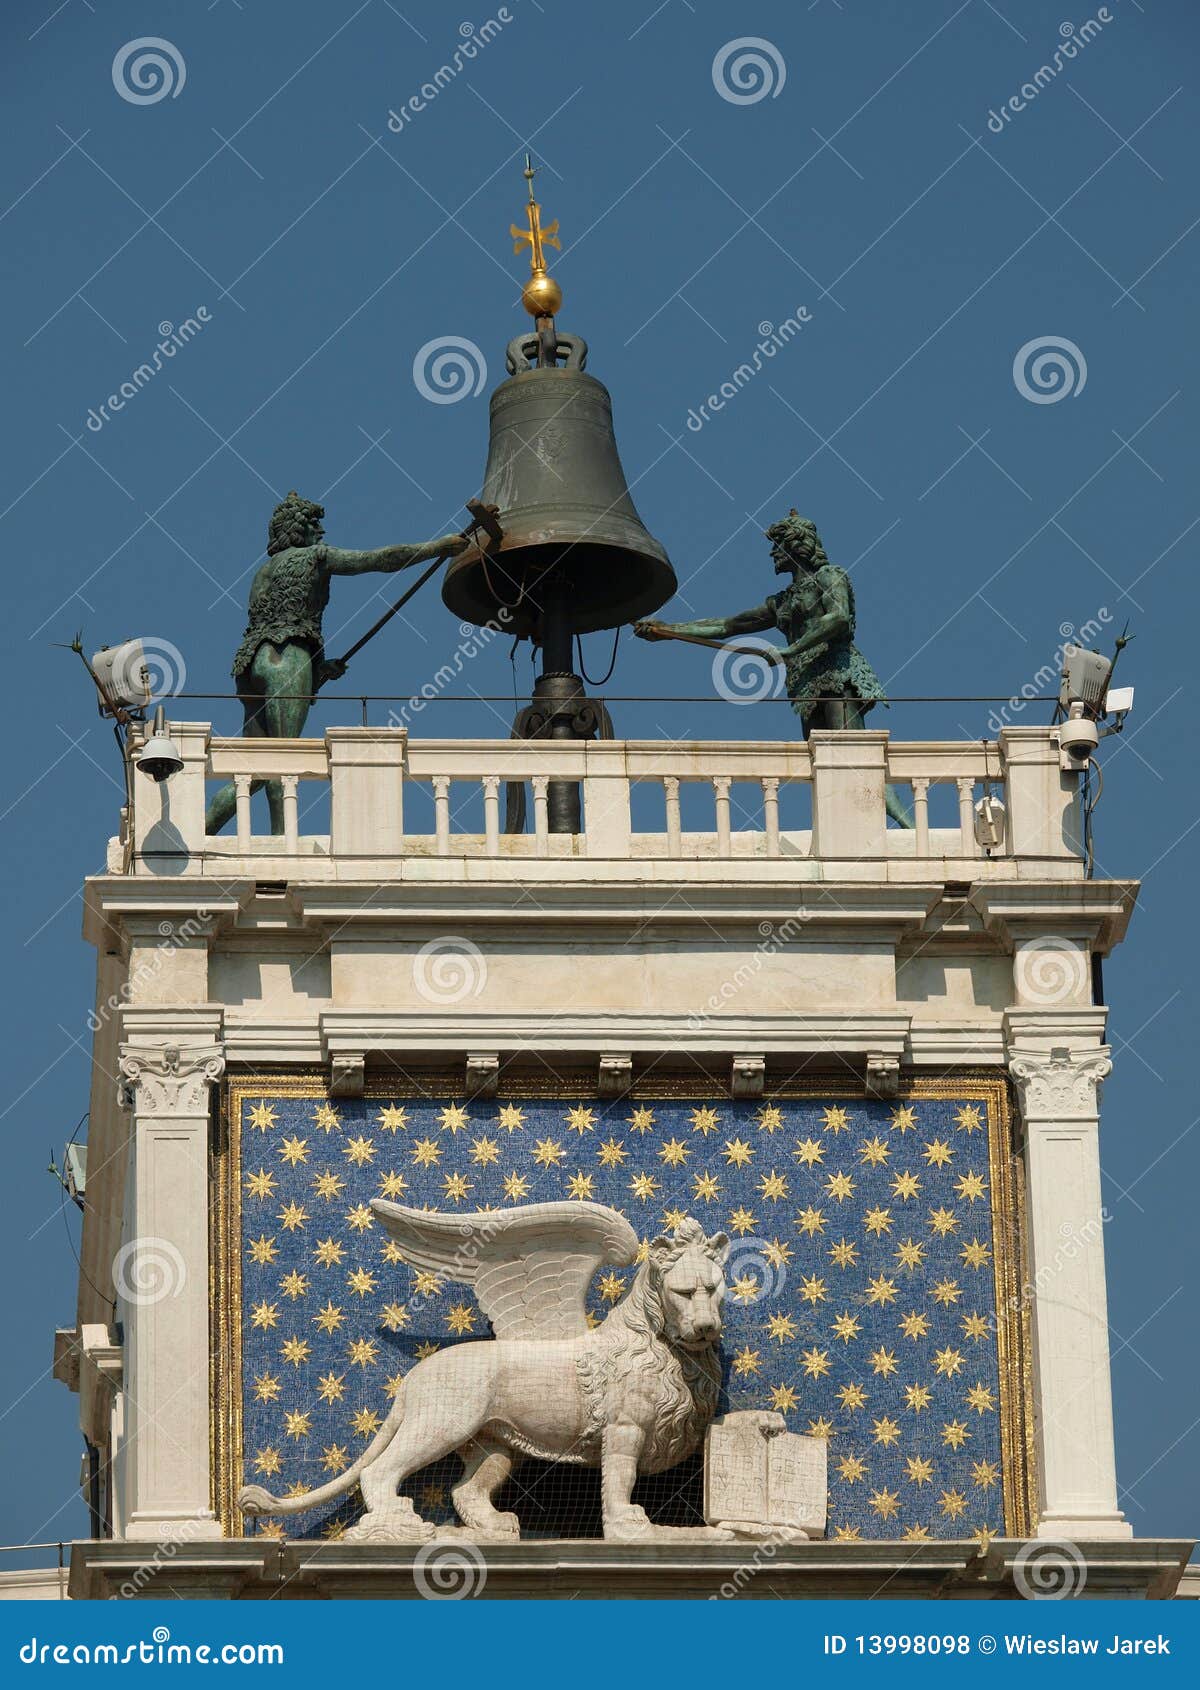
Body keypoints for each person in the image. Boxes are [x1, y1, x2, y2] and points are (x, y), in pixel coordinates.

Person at [205, 491, 466, 834]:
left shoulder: (262, 573)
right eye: (314, 524)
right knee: (282, 763)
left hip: (251, 664)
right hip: (289, 658)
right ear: (299, 530)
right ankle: (284, 845)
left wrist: (319, 667)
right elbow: (382, 559)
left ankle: (201, 828)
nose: (321, 532)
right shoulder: (317, 557)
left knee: (254, 770)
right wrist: (440, 547)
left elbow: (278, 618)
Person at [635, 510, 911, 826]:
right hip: (807, 688)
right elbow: (726, 625)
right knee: (823, 765)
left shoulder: (829, 577)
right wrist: (669, 631)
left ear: (795, 547)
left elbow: (837, 618)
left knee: (855, 760)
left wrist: (791, 649)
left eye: (777, 545)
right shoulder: (781, 602)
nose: (772, 553)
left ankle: (909, 828)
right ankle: (843, 831)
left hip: (837, 675)